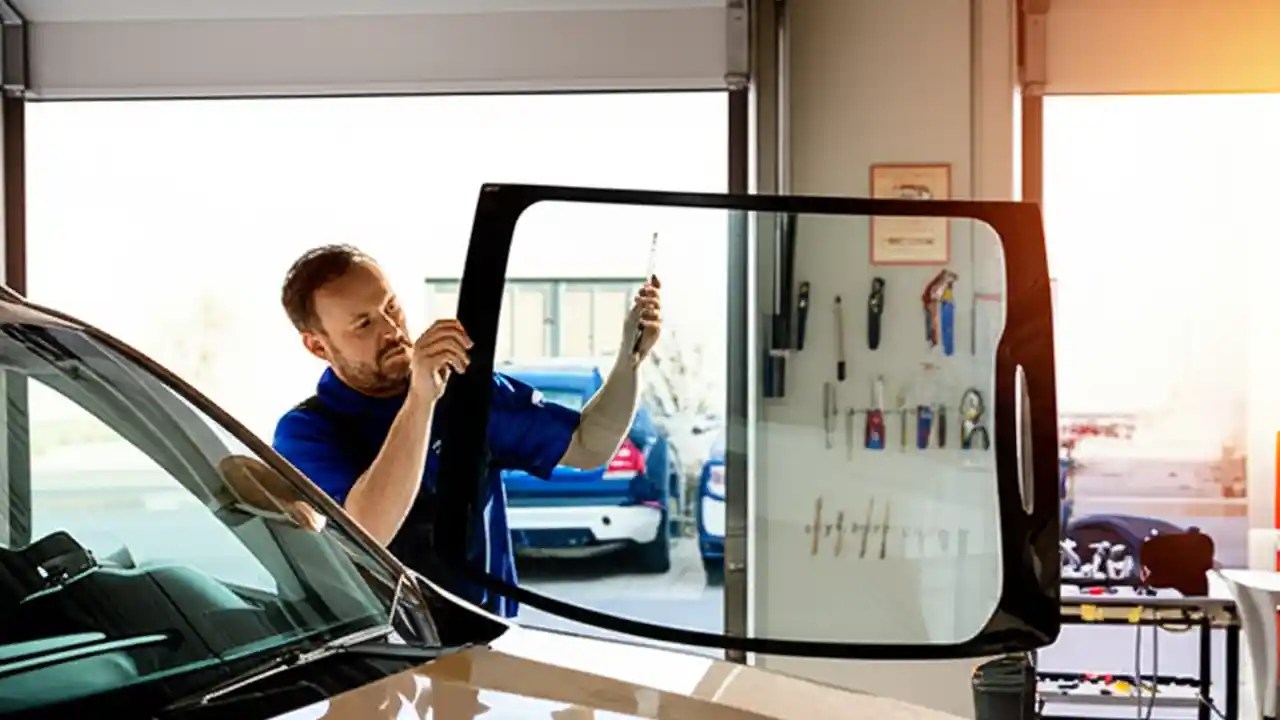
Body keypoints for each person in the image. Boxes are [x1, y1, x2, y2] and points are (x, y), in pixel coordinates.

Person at [270, 244, 662, 617]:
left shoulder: (464, 393)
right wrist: (421, 401)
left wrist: (631, 357)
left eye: (391, 307)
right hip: (387, 661)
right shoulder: (306, 433)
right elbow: (370, 530)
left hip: (489, 645)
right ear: (318, 347)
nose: (391, 330)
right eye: (363, 324)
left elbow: (588, 446)